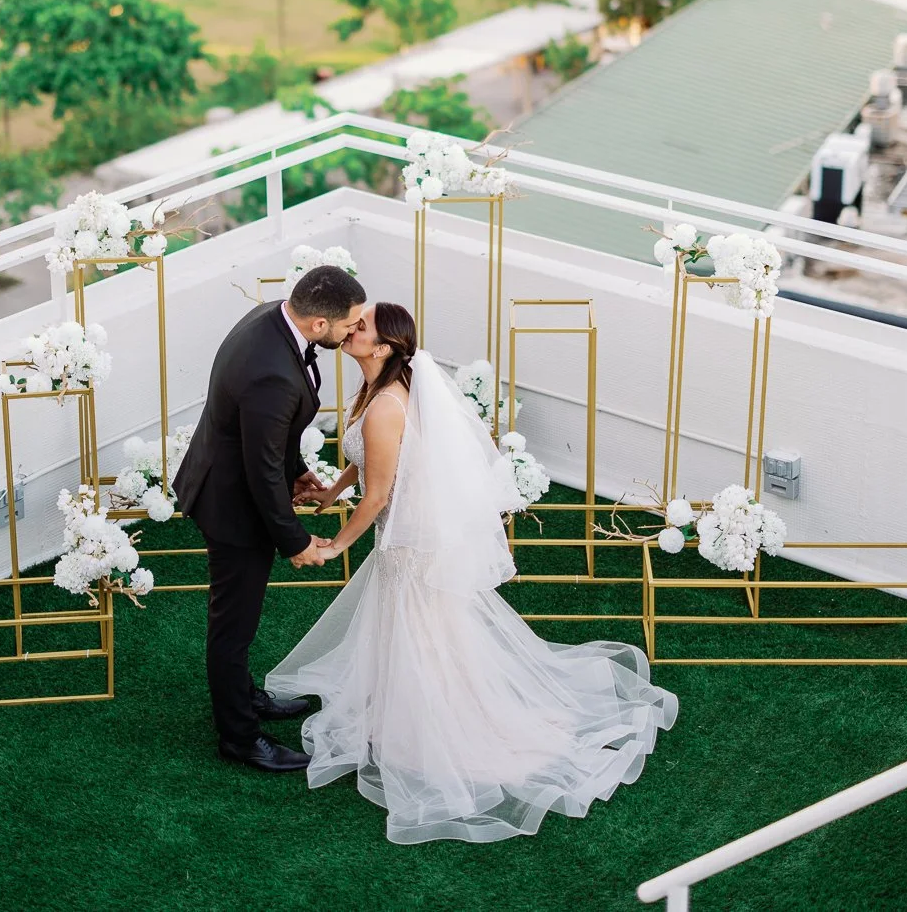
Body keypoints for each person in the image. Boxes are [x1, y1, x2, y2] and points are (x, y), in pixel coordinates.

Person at [267, 303, 677, 845]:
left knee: (426, 631)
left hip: (411, 540)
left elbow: (382, 492)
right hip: (405, 535)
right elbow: (367, 458)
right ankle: (406, 716)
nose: (350, 330)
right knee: (413, 630)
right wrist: (331, 490)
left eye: (361, 327)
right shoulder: (371, 395)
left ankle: (449, 728)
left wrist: (338, 544)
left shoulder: (388, 403)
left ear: (385, 346)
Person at [173, 264, 367, 774]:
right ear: (319, 326)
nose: (355, 331)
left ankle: (247, 697)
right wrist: (295, 540)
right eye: (350, 323)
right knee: (232, 628)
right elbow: (259, 471)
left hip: (233, 475)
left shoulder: (270, 317)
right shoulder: (271, 372)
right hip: (232, 504)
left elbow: (264, 435)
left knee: (238, 622)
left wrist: (298, 471)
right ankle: (239, 738)